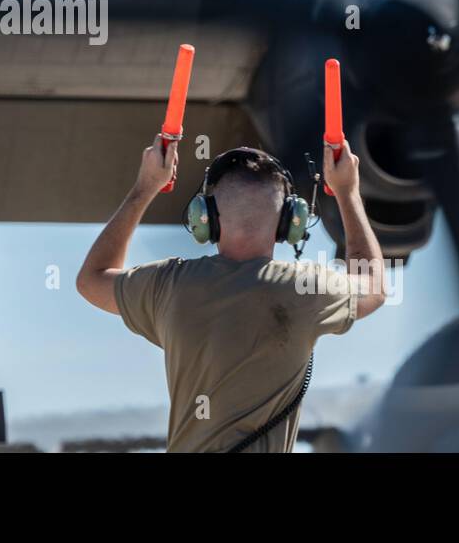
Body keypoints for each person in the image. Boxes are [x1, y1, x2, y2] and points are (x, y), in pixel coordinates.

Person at [76, 137, 387, 452]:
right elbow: (372, 287)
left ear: (205, 218)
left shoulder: (169, 285)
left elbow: (92, 279)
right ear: (289, 222)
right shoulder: (306, 289)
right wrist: (347, 193)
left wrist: (145, 187)